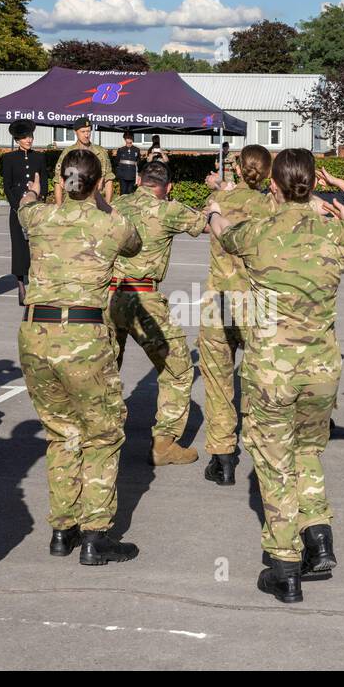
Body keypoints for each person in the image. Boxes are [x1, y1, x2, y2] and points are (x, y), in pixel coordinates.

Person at [209, 148, 344, 604]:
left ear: (275, 187)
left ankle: (284, 564)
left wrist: (216, 207)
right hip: (321, 369)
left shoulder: (258, 231)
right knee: (307, 451)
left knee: (273, 461)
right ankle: (319, 539)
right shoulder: (336, 232)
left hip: (271, 370)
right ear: (310, 187)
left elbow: (222, 233)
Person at [16, 150, 143, 565]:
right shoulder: (111, 223)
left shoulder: (38, 218)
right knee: (103, 433)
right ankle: (95, 534)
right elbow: (135, 242)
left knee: (61, 431)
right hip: (83, 335)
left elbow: (25, 207)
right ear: (100, 182)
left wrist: (36, 194)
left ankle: (61, 527)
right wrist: (103, 202)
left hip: (36, 333)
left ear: (61, 180)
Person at [110, 160, 205, 466]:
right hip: (142, 297)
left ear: (139, 180)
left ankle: (96, 438)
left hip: (106, 295)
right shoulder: (168, 209)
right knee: (178, 367)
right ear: (168, 187)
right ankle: (164, 444)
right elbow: (202, 223)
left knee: (105, 368)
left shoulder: (117, 204)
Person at [198, 145, 273, 486]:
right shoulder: (272, 206)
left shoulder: (220, 204)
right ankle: (261, 452)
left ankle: (222, 457)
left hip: (220, 298)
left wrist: (222, 190)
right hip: (256, 300)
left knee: (217, 378)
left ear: (239, 170)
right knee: (259, 379)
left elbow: (204, 223)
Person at [0, 119, 47, 306]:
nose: (29, 140)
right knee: (19, 247)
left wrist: (38, 196)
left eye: (31, 136)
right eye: (25, 137)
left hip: (35, 210)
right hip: (17, 210)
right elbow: (7, 185)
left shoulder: (39, 158)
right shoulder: (9, 159)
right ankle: (20, 283)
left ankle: (35, 282)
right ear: (17, 139)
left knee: (36, 247)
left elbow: (44, 181)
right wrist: (16, 204)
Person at [53, 117, 113, 204]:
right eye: (83, 131)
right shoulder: (68, 153)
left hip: (96, 203)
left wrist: (107, 205)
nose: (86, 135)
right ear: (75, 132)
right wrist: (59, 205)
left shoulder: (101, 152)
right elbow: (58, 180)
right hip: (73, 203)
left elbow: (109, 179)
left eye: (88, 131)